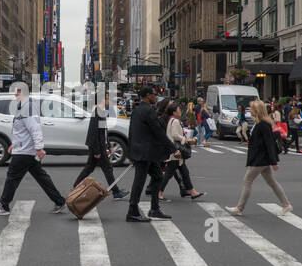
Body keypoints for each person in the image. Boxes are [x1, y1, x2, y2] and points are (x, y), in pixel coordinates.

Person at [0, 85, 68, 217]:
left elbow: (34, 128)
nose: (14, 95)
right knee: (42, 178)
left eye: (16, 92)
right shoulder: (22, 107)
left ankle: (4, 205)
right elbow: (22, 130)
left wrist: (39, 147)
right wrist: (14, 144)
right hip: (24, 150)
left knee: (12, 178)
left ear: (22, 92)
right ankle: (59, 201)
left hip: (24, 151)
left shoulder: (28, 107)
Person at [226, 100, 291, 216]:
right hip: (262, 158)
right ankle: (286, 205)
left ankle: (239, 208)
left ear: (256, 110)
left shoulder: (263, 124)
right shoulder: (260, 123)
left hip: (260, 158)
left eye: (251, 108)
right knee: (272, 182)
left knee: (247, 180)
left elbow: (269, 143)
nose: (249, 111)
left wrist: (274, 161)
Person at [124, 86, 176, 222]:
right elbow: (158, 132)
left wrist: (130, 153)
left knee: (158, 176)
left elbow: (131, 132)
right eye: (154, 94)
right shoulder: (149, 111)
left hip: (143, 152)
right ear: (147, 96)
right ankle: (132, 211)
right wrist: (173, 148)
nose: (156, 97)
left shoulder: (137, 110)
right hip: (145, 152)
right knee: (139, 181)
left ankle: (154, 209)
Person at [72, 92, 127, 200]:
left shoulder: (100, 112)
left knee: (90, 168)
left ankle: (76, 185)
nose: (108, 100)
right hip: (97, 146)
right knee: (107, 168)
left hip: (99, 145)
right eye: (107, 98)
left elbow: (103, 131)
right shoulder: (97, 113)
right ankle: (116, 192)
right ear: (102, 100)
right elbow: (94, 133)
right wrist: (97, 151)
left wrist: (108, 145)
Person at [159, 101, 204, 201]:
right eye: (179, 110)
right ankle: (159, 192)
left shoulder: (171, 120)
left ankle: (192, 191)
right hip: (176, 152)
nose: (180, 111)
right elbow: (175, 135)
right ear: (174, 112)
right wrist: (185, 139)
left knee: (184, 172)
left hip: (175, 152)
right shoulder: (175, 121)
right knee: (168, 174)